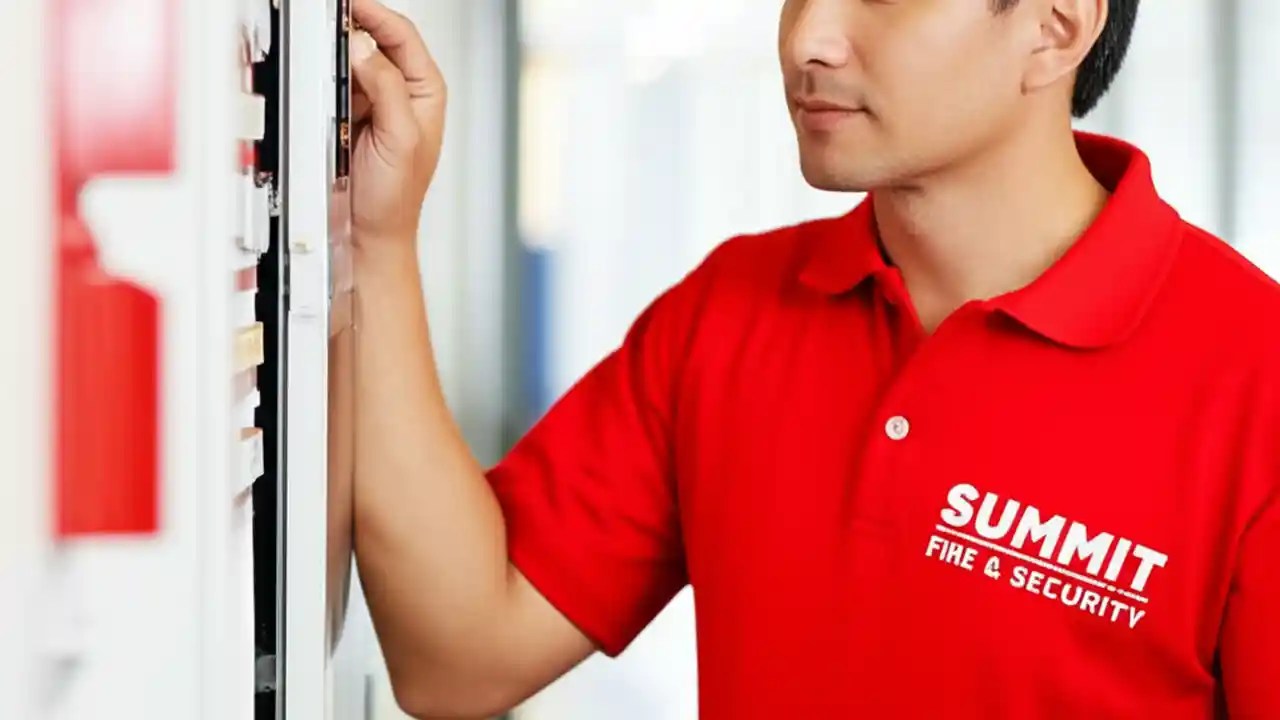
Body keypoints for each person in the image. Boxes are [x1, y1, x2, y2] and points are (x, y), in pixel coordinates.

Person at [345, 0, 1280, 717]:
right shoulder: (731, 311)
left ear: (1055, 26)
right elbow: (456, 655)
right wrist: (378, 241)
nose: (808, 40)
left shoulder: (1254, 377)